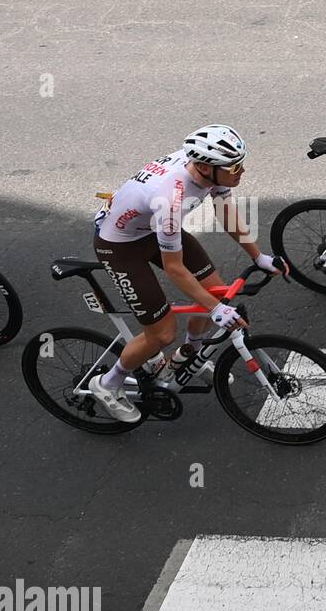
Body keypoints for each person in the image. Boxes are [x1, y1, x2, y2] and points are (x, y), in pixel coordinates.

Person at [89, 125, 286, 422]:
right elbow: (175, 269)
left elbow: (224, 209)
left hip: (151, 229)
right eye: (235, 166)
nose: (241, 171)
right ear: (207, 168)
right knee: (162, 332)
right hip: (120, 247)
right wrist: (217, 310)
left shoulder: (206, 166)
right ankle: (108, 384)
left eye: (242, 163)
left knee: (215, 291)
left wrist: (258, 257)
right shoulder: (169, 199)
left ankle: (187, 356)